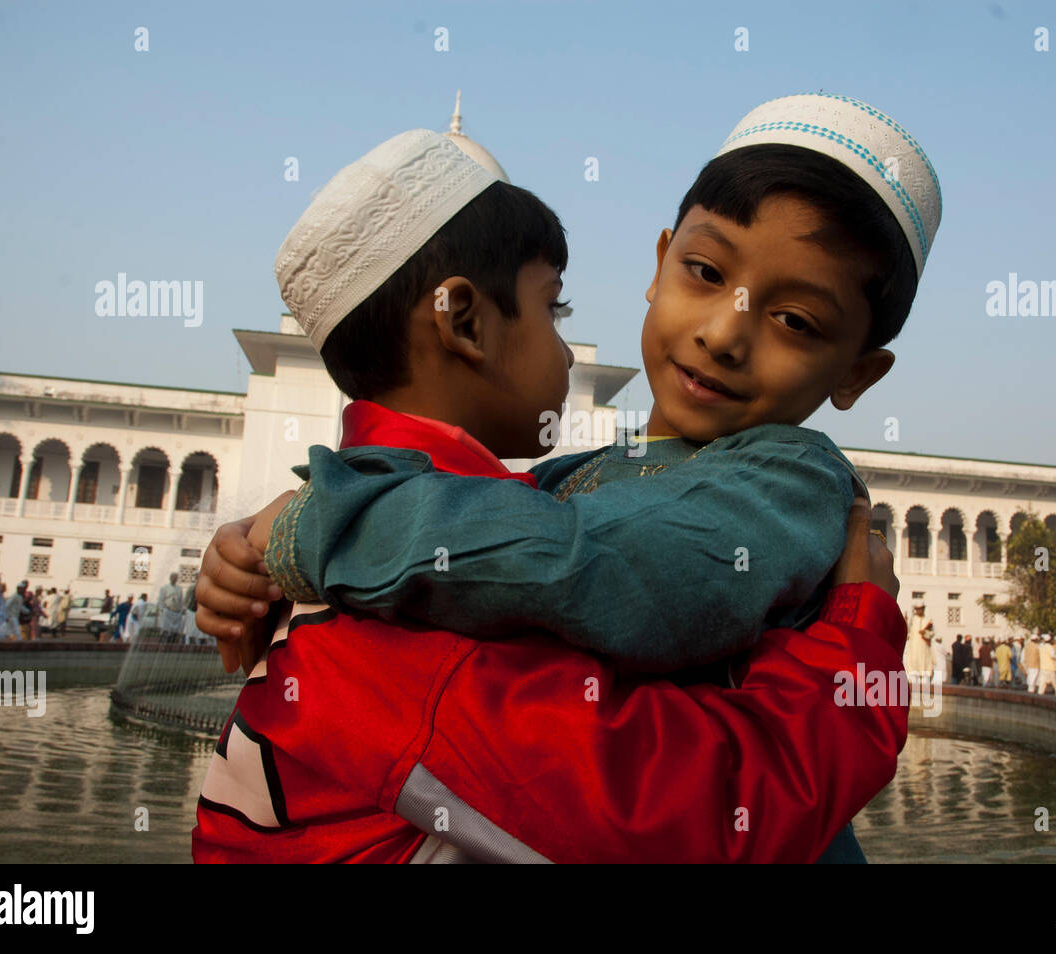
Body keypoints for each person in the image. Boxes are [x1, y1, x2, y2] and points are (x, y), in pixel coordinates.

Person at [194, 95, 941, 862]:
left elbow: (612, 571)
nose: (723, 334)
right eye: (707, 271)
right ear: (658, 265)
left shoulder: (790, 475)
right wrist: (254, 563)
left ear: (857, 373)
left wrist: (320, 527)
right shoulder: (567, 479)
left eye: (795, 321)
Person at [906, 602, 936, 689]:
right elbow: (907, 631)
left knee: (925, 668)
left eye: (920, 609)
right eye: (917, 609)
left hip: (924, 648)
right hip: (913, 648)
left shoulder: (928, 620)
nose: (919, 611)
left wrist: (925, 632)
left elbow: (932, 633)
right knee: (913, 669)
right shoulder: (912, 620)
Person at [156, 574, 185, 644]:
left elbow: (181, 600)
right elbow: (161, 599)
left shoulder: (179, 588)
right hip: (167, 610)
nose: (174, 579)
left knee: (175, 629)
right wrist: (162, 609)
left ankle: (172, 642)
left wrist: (182, 609)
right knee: (165, 628)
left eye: (176, 578)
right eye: (173, 577)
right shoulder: (165, 588)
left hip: (176, 611)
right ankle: (162, 642)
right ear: (170, 578)